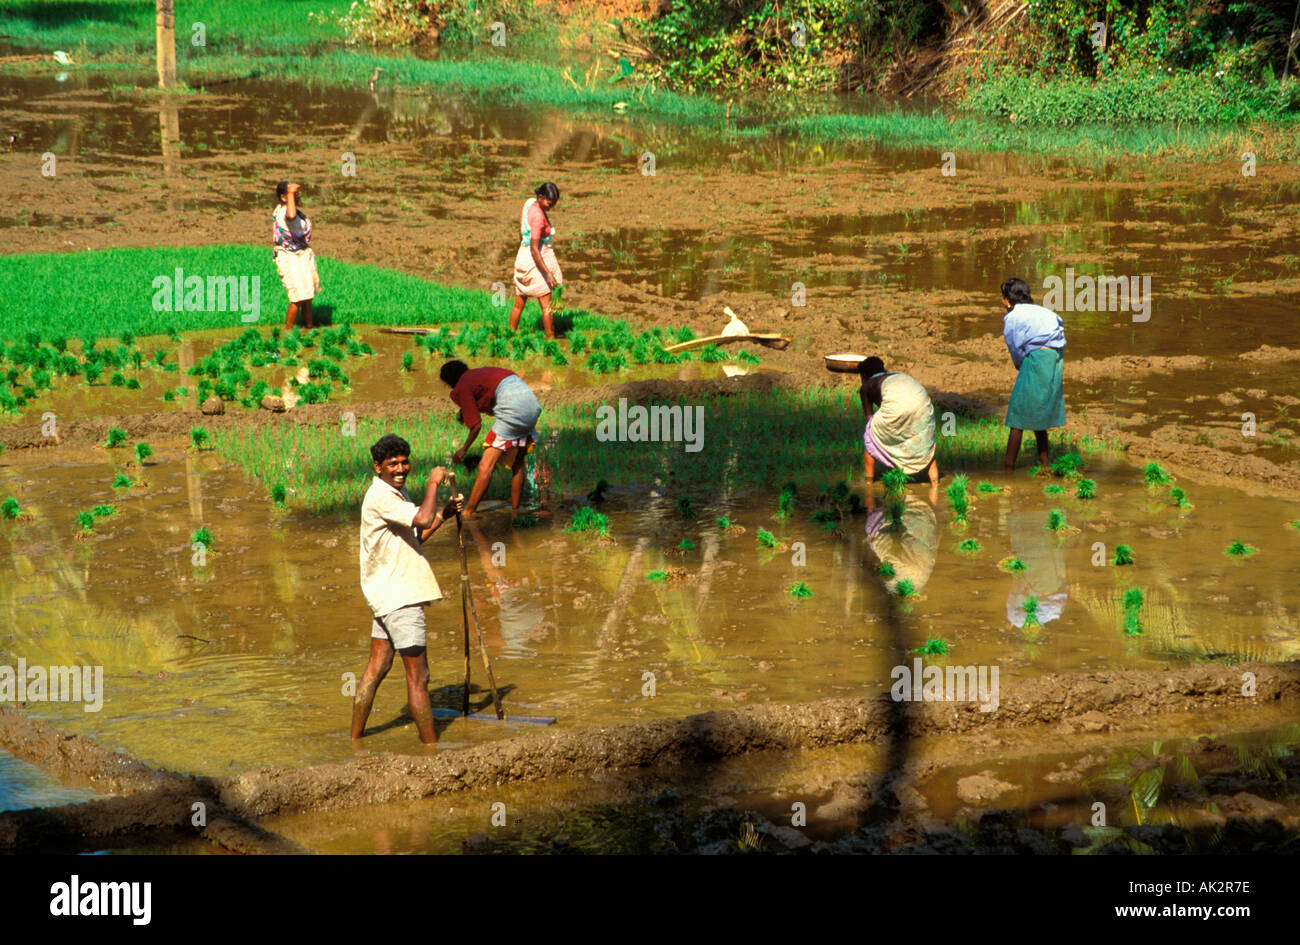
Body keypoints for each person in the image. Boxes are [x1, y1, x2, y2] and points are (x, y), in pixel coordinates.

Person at [350, 434, 463, 746]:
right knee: (419, 678)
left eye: (403, 462)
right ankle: (431, 751)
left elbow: (418, 534)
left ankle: (354, 741)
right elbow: (422, 516)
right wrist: (433, 484)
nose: (400, 468)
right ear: (378, 467)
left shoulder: (395, 493)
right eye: (392, 464)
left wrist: (443, 515)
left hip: (385, 595)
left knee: (377, 669)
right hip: (400, 596)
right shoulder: (383, 496)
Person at [440, 360, 542, 518]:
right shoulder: (479, 374)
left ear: (450, 382)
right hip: (531, 405)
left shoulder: (463, 384)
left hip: (513, 407)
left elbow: (476, 425)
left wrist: (464, 449)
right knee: (517, 463)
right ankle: (516, 510)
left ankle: (468, 512)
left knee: (485, 467)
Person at [1000, 277, 1066, 472]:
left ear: (1007, 300)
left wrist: (1023, 367)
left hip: (1037, 357)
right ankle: (1045, 463)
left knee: (1017, 415)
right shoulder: (1045, 311)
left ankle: (1008, 468)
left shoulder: (1012, 317)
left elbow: (1015, 348)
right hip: (1056, 357)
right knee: (1040, 411)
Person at [858, 356, 940, 488]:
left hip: (900, 407)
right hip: (923, 404)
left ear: (864, 375)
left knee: (870, 438)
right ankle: (935, 484)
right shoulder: (896, 375)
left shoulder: (867, 386)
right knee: (925, 446)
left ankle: (868, 484)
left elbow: (869, 418)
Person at [508, 182, 562, 339]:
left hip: (522, 256)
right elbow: (534, 249)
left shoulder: (529, 203)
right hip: (534, 261)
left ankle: (509, 335)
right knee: (546, 306)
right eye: (549, 204)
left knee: (519, 303)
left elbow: (522, 232)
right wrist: (547, 274)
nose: (551, 207)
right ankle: (550, 340)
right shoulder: (538, 217)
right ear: (540, 197)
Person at [273, 180, 319, 330]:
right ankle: (288, 332)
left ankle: (309, 328)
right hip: (289, 257)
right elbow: (291, 216)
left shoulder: (294, 211)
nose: (297, 197)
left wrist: (291, 193)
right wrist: (291, 192)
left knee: (307, 297)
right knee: (297, 299)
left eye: (297, 194)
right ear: (284, 197)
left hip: (302, 255)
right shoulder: (284, 212)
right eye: (292, 195)